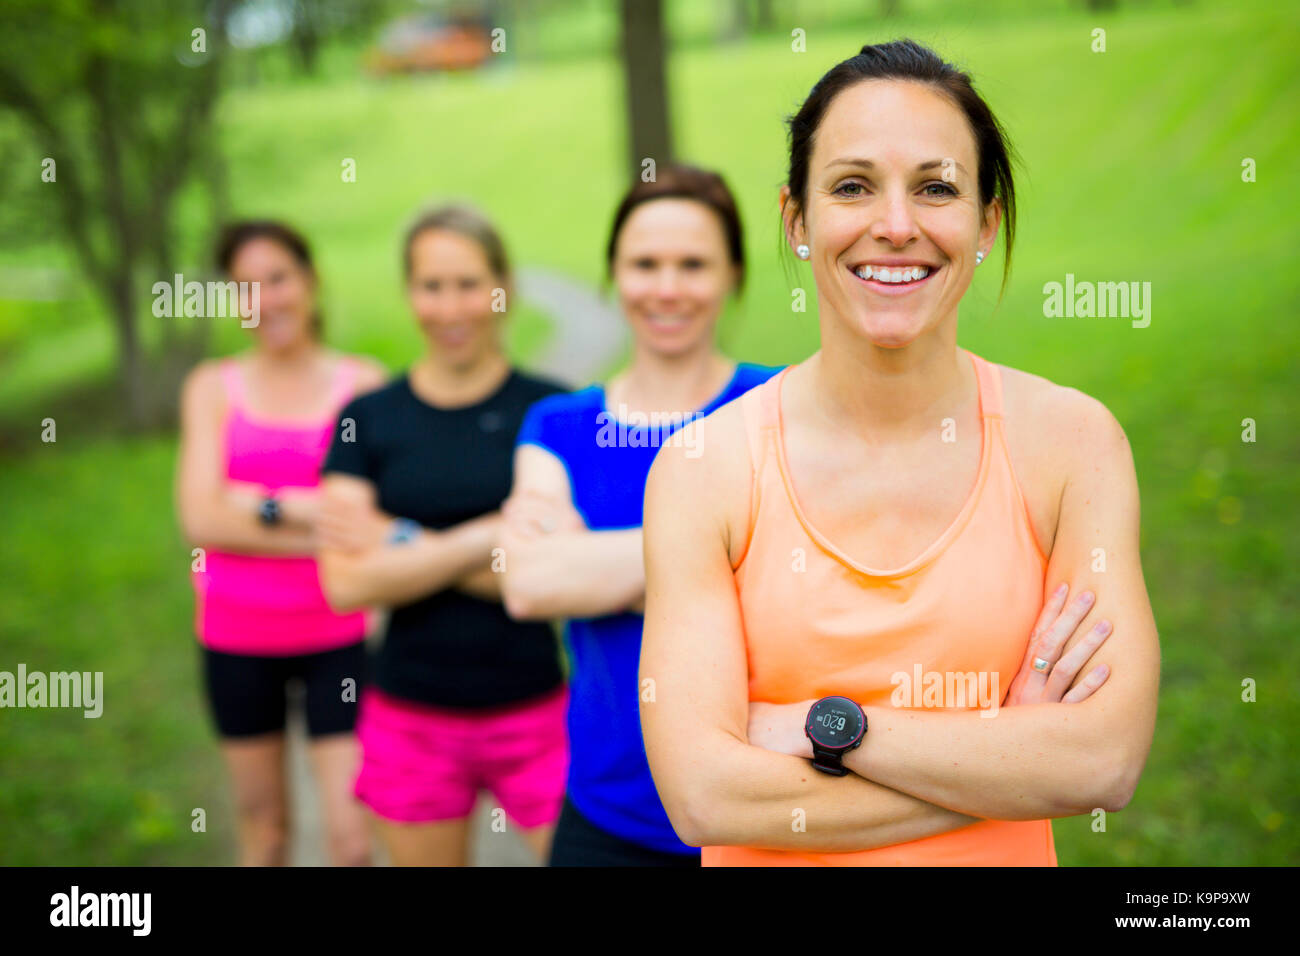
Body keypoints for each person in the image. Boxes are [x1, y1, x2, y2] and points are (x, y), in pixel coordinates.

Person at [640, 39, 1160, 865]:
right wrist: (1010, 754)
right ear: (797, 220)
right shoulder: (704, 468)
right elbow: (703, 796)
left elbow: (1104, 758)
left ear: (985, 222)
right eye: (852, 186)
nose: (894, 226)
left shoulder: (1072, 443)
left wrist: (829, 731)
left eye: (936, 188)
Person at [500, 165, 781, 866]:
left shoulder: (779, 410)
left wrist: (597, 562)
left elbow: (807, 576)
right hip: (606, 815)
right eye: (644, 264)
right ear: (613, 276)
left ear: (733, 277)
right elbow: (531, 582)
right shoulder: (559, 425)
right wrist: (729, 554)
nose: (667, 288)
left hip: (764, 808)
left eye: (693, 264)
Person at [317, 205, 568, 866]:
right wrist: (490, 535)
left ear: (503, 288)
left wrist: (397, 537)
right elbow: (344, 582)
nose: (451, 306)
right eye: (432, 285)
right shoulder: (366, 420)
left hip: (540, 715)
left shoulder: (553, 411)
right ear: (410, 294)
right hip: (411, 720)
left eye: (468, 284)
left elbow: (556, 577)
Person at [176, 220, 387, 866]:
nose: (264, 301)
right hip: (236, 640)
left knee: (351, 843)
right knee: (264, 833)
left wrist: (257, 503)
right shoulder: (212, 388)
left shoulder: (364, 385)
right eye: (243, 287)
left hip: (340, 635)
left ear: (310, 280)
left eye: (277, 279)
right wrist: (314, 515)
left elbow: (373, 525)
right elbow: (200, 520)